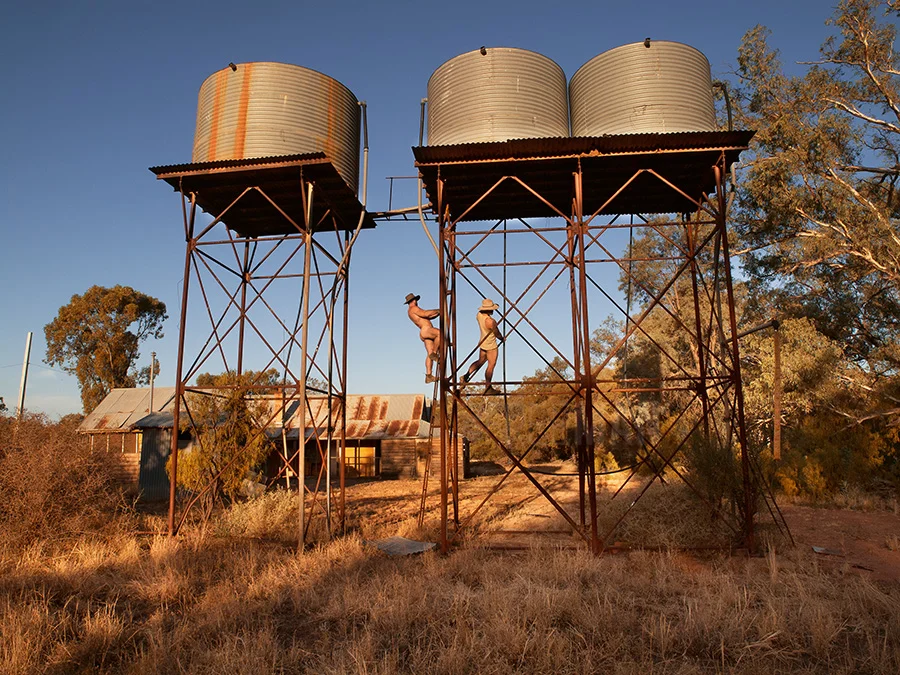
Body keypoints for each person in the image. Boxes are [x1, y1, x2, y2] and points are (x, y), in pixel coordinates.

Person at [462, 298, 503, 395]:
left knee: (480, 361)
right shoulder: (491, 321)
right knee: (491, 365)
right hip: (491, 344)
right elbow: (496, 333)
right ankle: (488, 387)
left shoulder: (479, 315)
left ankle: (466, 375)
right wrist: (502, 338)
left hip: (482, 342)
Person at [404, 293, 441, 383]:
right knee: (440, 334)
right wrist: (438, 310)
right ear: (413, 301)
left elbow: (429, 316)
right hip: (426, 330)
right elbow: (426, 313)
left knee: (429, 353)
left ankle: (429, 375)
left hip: (423, 331)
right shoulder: (414, 308)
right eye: (416, 300)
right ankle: (435, 353)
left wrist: (437, 313)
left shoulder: (410, 311)